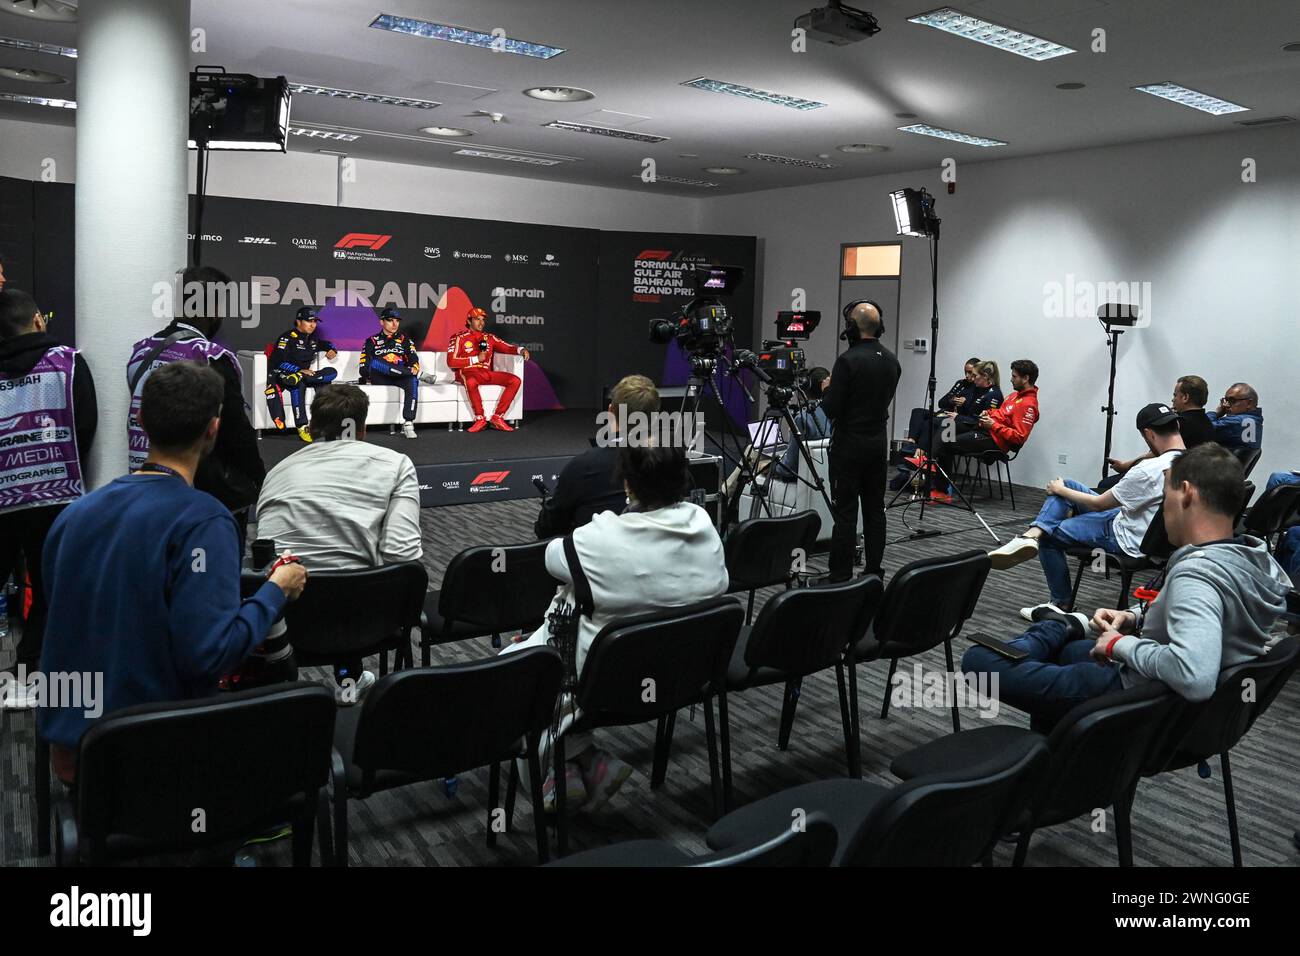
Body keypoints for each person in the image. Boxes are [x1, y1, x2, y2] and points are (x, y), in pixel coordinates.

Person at [37, 361, 306, 783]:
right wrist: (275, 592)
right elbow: (210, 657)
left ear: (141, 420)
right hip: (153, 751)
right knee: (296, 722)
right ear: (213, 429)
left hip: (73, 751)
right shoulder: (206, 522)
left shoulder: (73, 516)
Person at [961, 443, 1290, 721]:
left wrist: (1121, 644)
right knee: (1072, 652)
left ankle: (1058, 626)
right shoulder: (1254, 558)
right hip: (1171, 707)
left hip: (1132, 696)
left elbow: (1195, 677)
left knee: (979, 662)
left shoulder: (1197, 576)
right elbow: (1212, 618)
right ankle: (1062, 757)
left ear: (1187, 494)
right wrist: (1135, 617)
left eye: (1166, 496)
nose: (1164, 510)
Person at [505, 443, 728, 811]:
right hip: (685, 674)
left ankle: (565, 767)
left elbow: (550, 556)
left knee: (523, 668)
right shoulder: (705, 524)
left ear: (628, 485)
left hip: (602, 686)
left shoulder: (598, 538)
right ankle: (580, 759)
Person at [255, 383, 422, 702]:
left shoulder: (276, 473)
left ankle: (342, 679)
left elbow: (269, 559)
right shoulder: (397, 465)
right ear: (362, 429)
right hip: (371, 623)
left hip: (288, 625)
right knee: (353, 573)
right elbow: (404, 556)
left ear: (312, 426)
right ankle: (352, 679)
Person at [988, 403, 1186, 613]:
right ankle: (1030, 535)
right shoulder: (1195, 461)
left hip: (1125, 538)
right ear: (1178, 428)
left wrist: (1058, 489)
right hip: (1145, 532)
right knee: (1071, 485)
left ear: (1148, 434)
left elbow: (1098, 505)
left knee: (1050, 533)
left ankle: (1059, 601)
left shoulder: (1148, 470)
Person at [0, 288, 98, 710]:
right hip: (56, 497)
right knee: (46, 588)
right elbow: (87, 425)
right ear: (38, 320)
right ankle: (28, 675)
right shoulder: (69, 363)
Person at [127, 266, 265, 546]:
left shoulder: (140, 352)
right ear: (212, 307)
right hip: (208, 496)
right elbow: (237, 435)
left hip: (146, 486)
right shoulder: (212, 357)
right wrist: (261, 482)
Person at [820, 301, 901, 580]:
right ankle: (874, 571)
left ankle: (840, 575)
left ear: (851, 328)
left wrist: (827, 389)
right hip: (878, 444)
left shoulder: (847, 361)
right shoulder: (892, 360)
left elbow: (831, 408)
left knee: (845, 513)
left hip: (849, 446)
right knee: (875, 510)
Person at [535, 374, 659, 539]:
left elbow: (547, 528)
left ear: (610, 411)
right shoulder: (672, 463)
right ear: (655, 417)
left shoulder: (583, 466)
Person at [930, 358, 1039, 503]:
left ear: (1026, 378)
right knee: (947, 426)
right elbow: (1000, 414)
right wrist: (988, 413)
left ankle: (940, 487)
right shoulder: (1014, 396)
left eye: (1014, 377)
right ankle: (931, 469)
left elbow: (1019, 438)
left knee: (946, 442)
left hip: (995, 441)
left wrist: (993, 425)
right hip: (986, 432)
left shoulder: (1028, 405)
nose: (1011, 380)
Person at [1101, 375, 1215, 491]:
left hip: (1171, 479)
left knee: (1105, 484)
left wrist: (1124, 465)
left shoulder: (1180, 423)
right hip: (1194, 480)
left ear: (1185, 397)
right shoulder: (1209, 423)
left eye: (1175, 395)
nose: (1173, 399)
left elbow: (1156, 453)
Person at [358, 306, 437, 440]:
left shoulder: (404, 340)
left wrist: (413, 368)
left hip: (401, 376)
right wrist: (384, 364)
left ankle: (408, 423)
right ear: (382, 322)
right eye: (390, 320)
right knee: (376, 362)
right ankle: (418, 375)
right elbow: (364, 367)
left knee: (412, 380)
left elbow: (413, 360)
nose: (395, 324)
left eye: (397, 321)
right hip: (380, 376)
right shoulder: (371, 341)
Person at [447, 306, 530, 433]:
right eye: (477, 319)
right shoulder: (458, 337)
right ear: (469, 321)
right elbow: (451, 362)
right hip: (467, 372)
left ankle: (497, 417)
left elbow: (507, 348)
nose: (481, 322)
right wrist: (476, 359)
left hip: (485, 373)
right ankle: (480, 418)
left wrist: (521, 350)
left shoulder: (489, 338)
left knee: (515, 380)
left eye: (483, 319)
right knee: (471, 382)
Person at [264, 306, 339, 442]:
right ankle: (302, 425)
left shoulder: (313, 340)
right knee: (299, 383)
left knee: (332, 373)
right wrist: (298, 371)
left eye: (315, 321)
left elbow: (327, 344)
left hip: (304, 375)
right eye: (309, 321)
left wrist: (332, 349)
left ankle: (325, 422)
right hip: (285, 375)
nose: (313, 325)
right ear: (299, 321)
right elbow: (278, 362)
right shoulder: (287, 338)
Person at [1206, 381, 1263, 451]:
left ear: (1249, 403)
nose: (1226, 405)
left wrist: (1216, 412)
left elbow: (1202, 427)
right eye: (1225, 401)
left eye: (1232, 400)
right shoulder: (1256, 420)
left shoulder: (1235, 422)